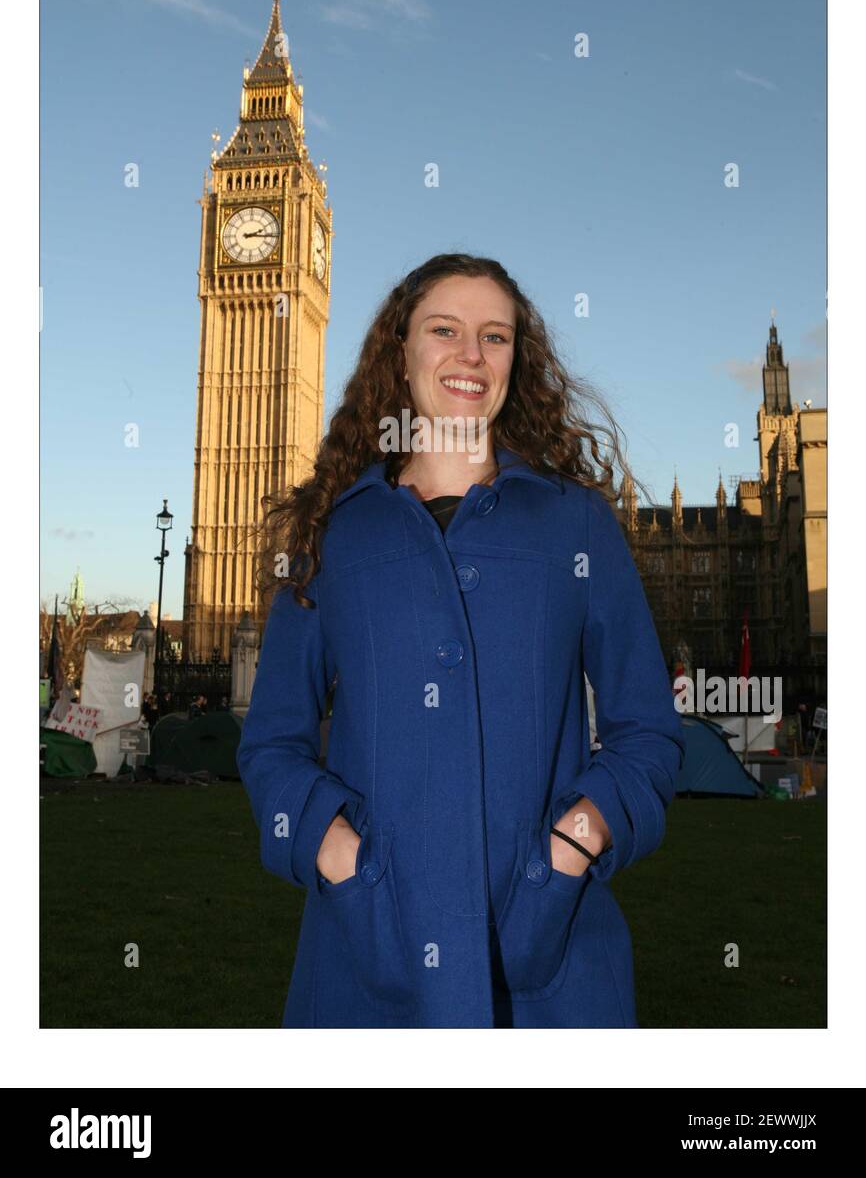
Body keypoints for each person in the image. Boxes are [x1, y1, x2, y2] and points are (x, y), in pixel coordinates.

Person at [237, 253, 686, 1029]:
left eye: (496, 337)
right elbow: (272, 742)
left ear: (517, 360)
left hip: (551, 972)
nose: (471, 355)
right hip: (365, 963)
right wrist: (342, 861)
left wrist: (571, 850)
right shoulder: (329, 533)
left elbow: (646, 732)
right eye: (444, 330)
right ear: (399, 354)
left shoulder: (575, 523)